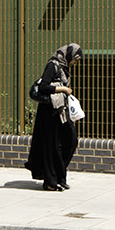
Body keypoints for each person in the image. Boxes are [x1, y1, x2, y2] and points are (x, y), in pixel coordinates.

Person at [25, 42, 81, 191]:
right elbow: (43, 87)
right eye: (75, 59)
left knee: (71, 140)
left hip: (61, 111)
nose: (75, 62)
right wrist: (63, 89)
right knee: (51, 146)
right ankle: (50, 181)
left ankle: (59, 175)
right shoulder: (53, 65)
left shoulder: (64, 68)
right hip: (49, 112)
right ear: (69, 55)